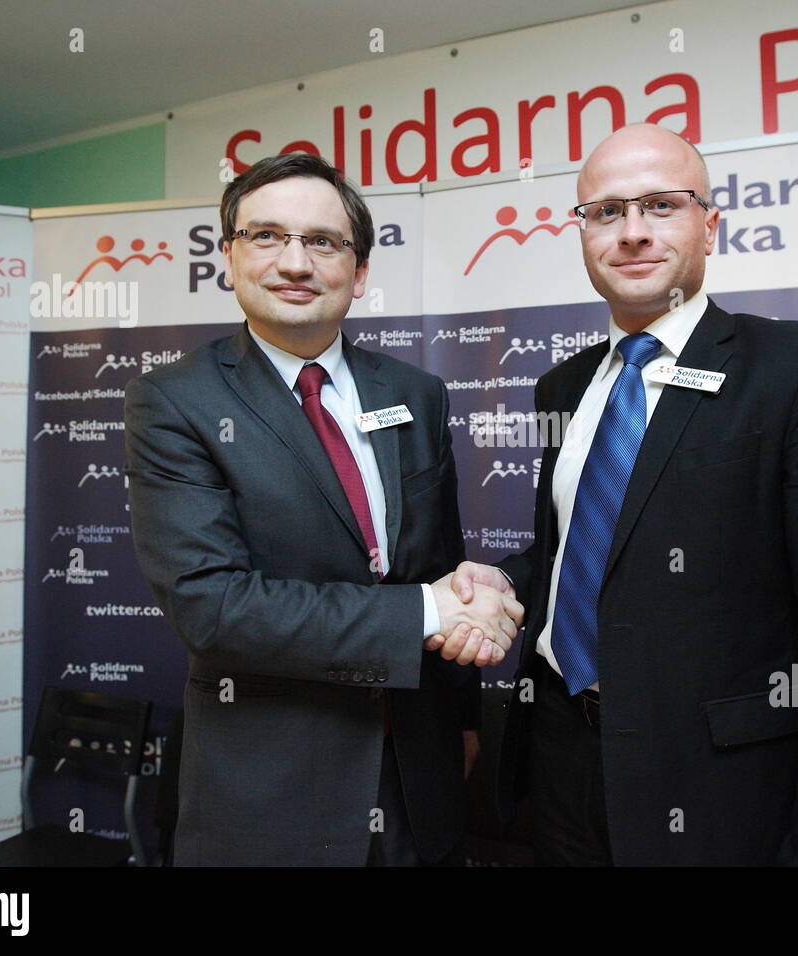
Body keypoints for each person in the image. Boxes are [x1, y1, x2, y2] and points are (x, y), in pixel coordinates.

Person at [451, 123, 798, 865]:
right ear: (582, 234)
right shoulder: (562, 386)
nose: (632, 233)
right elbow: (591, 547)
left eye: (661, 206)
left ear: (709, 226)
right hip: (561, 765)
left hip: (716, 788)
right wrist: (505, 579)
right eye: (606, 212)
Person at [123, 153, 522, 866]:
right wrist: (428, 613)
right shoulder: (177, 403)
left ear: (359, 271)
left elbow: (438, 564)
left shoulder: (416, 393)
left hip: (417, 778)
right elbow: (212, 606)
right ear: (230, 258)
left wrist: (463, 720)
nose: (295, 262)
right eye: (267, 236)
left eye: (323, 242)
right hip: (271, 795)